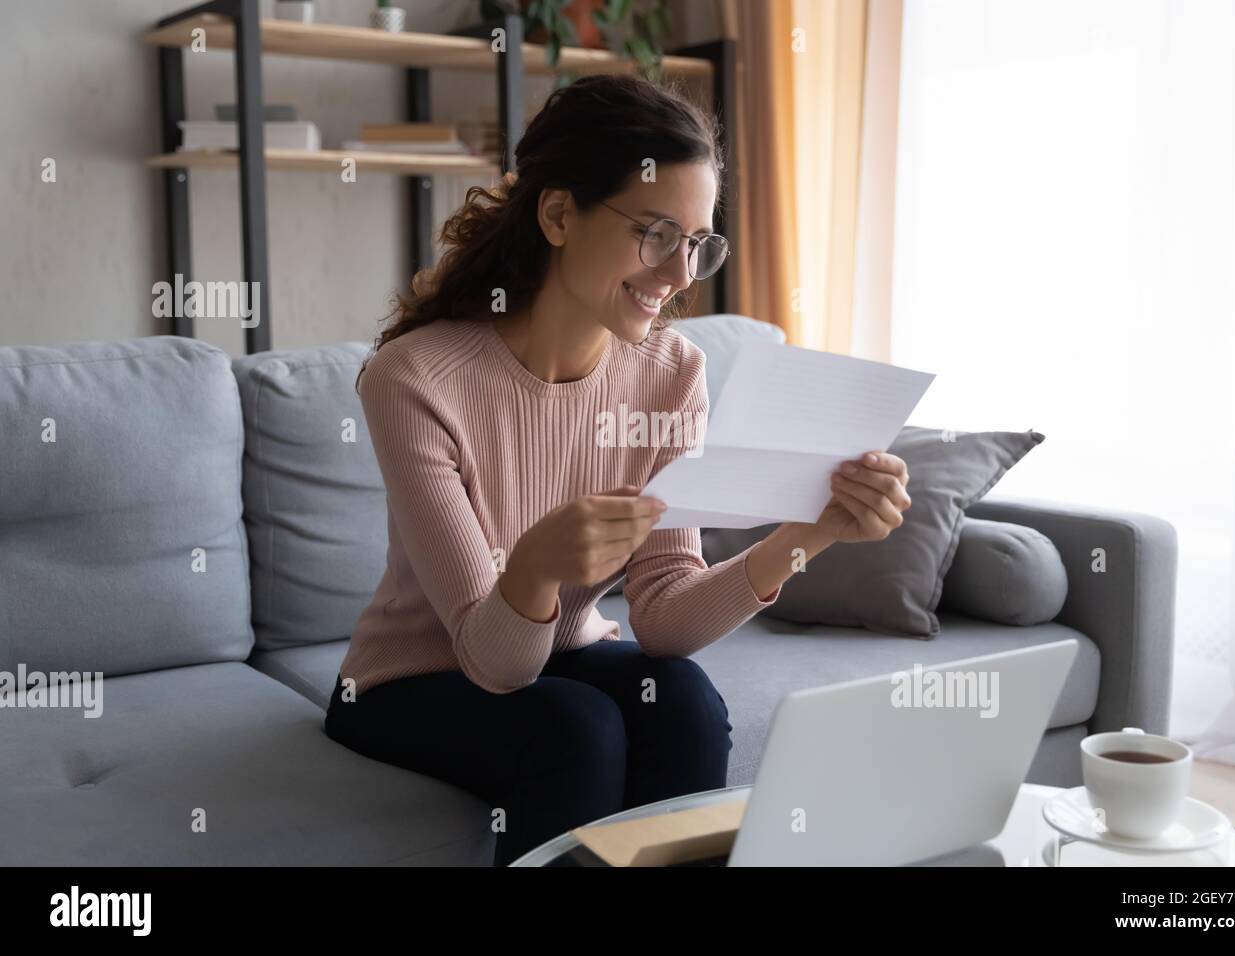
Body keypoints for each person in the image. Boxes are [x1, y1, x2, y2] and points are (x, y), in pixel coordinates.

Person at [323, 73, 912, 866]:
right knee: (575, 728)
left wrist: (813, 534)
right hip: (409, 679)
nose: (678, 274)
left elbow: (665, 616)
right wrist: (532, 567)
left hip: (562, 652)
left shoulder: (671, 371)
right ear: (560, 213)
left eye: (698, 244)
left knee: (685, 705)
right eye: (656, 234)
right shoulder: (416, 379)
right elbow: (493, 662)